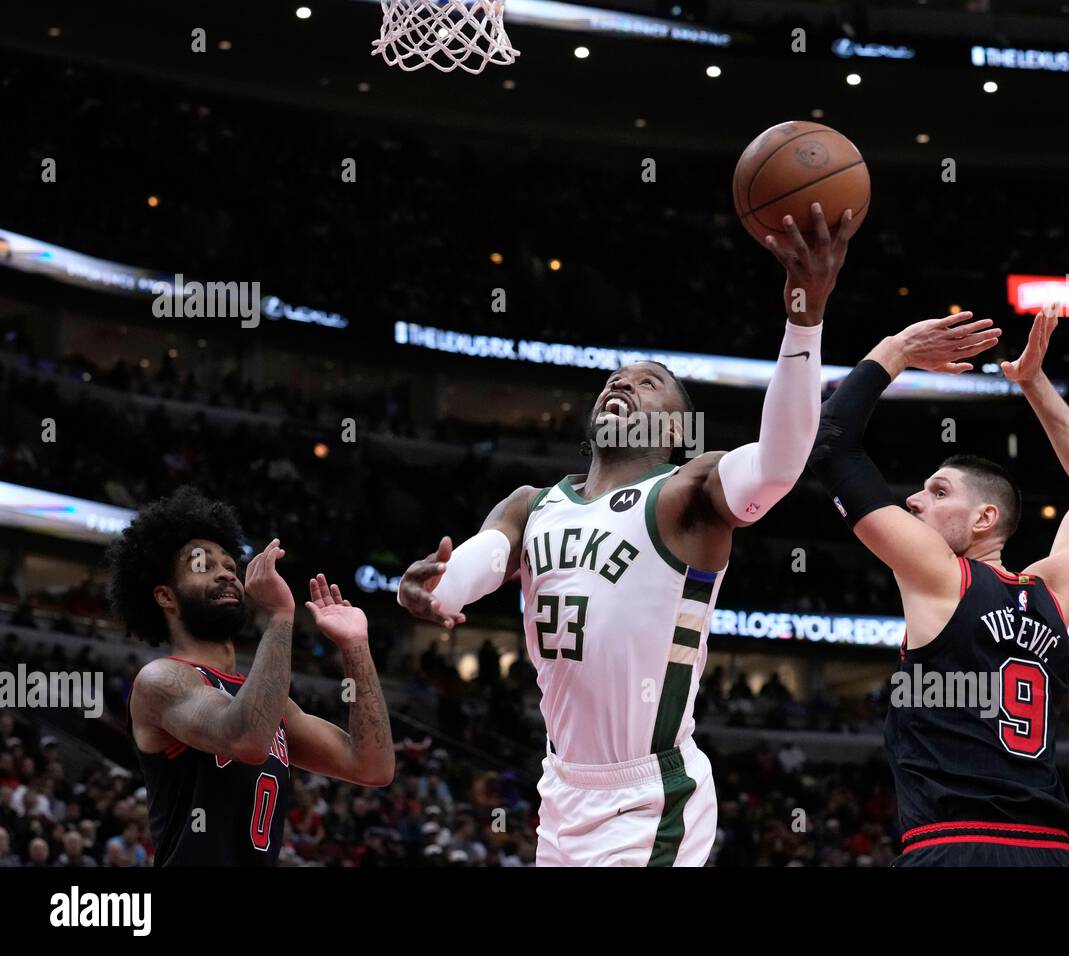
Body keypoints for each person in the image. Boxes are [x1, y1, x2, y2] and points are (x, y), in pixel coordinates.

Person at [398, 204, 857, 866]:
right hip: (560, 791)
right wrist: (436, 590)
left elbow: (781, 463)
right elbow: (477, 562)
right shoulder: (532, 505)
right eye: (619, 379)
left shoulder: (686, 495)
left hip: (650, 796)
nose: (624, 384)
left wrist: (804, 320)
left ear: (673, 431)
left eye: (651, 384)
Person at [811, 306, 1069, 865]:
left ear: (982, 520)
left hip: (954, 847)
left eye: (938, 491)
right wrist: (1035, 384)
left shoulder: (939, 573)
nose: (914, 499)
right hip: (1050, 852)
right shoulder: (1052, 597)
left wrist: (897, 349)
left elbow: (831, 444)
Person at [108, 488, 395, 866]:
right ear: (166, 596)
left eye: (229, 564)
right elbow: (245, 739)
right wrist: (279, 617)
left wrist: (355, 646)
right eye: (203, 565)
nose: (226, 573)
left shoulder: (274, 705)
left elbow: (372, 766)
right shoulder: (160, 680)